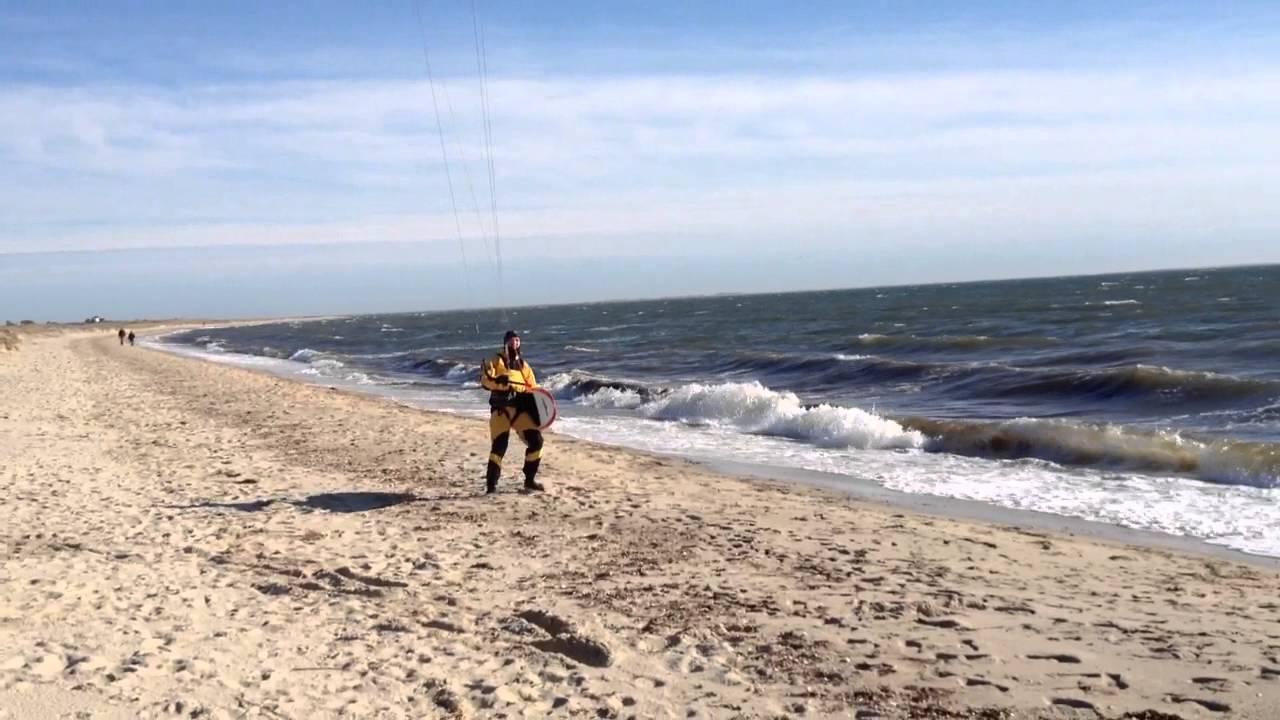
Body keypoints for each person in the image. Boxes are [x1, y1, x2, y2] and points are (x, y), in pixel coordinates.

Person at [479, 330, 545, 494]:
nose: (514, 343)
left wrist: (544, 400)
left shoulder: (524, 366)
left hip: (520, 410)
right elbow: (485, 381)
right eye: (511, 340)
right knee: (499, 447)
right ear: (505, 343)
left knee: (536, 441)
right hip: (501, 411)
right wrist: (499, 382)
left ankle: (529, 480)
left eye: (517, 340)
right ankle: (491, 485)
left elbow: (533, 388)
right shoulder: (495, 361)